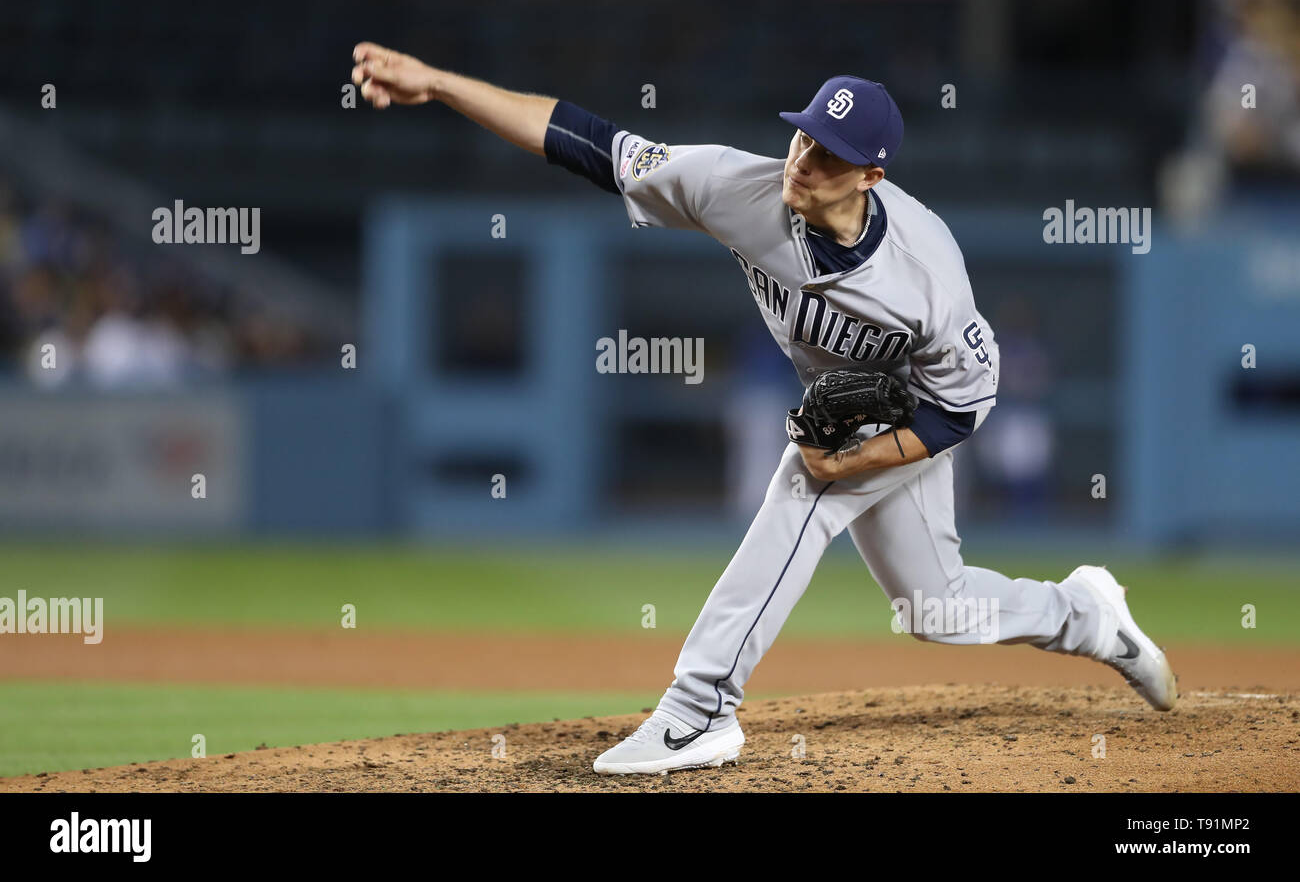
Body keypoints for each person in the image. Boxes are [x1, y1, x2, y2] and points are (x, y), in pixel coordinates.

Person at [351, 44, 1178, 776]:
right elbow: (585, 142)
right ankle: (1087, 615)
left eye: (832, 154)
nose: (806, 159)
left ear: (871, 176)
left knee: (805, 488)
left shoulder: (927, 277)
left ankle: (700, 708)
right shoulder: (736, 185)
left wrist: (856, 460)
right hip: (847, 399)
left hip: (913, 410)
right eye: (806, 135)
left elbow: (958, 412)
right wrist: (440, 84)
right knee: (937, 608)